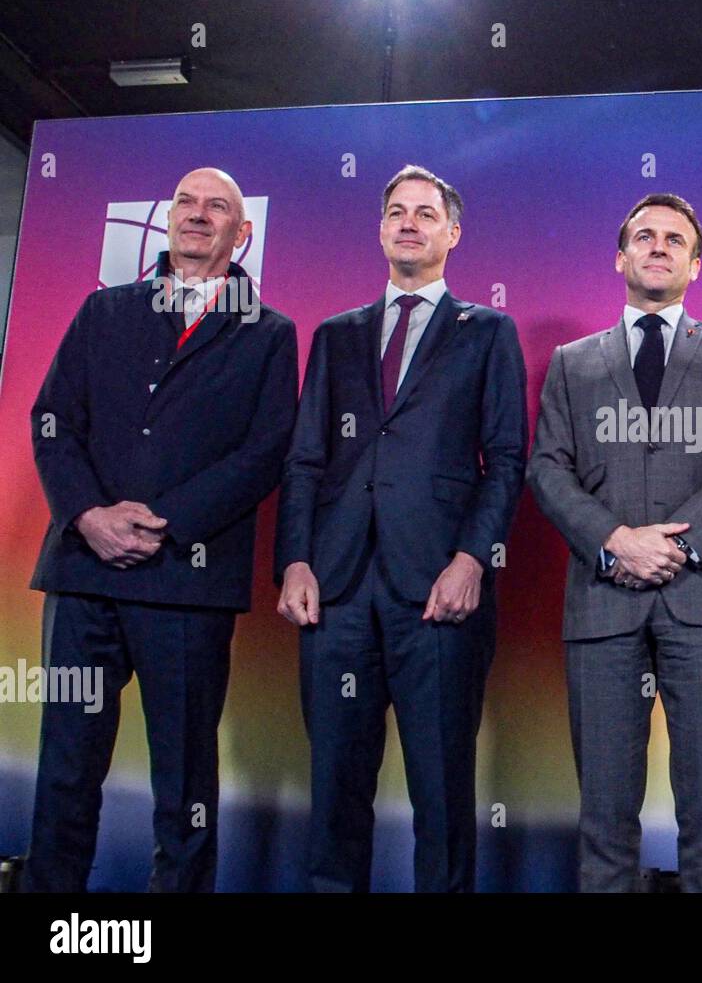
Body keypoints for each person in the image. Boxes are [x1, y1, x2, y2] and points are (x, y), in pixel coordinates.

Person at [26, 167, 299, 892]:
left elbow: (266, 450)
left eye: (218, 207)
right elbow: (53, 424)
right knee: (65, 769)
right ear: (168, 217)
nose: (197, 215)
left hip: (188, 582)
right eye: (185, 201)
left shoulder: (270, 334)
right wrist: (89, 515)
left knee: (186, 786)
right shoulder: (102, 311)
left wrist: (165, 525)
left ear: (243, 233)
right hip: (84, 575)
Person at [274, 165, 527, 893]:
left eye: (425, 212)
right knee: (336, 792)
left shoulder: (488, 332)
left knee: (441, 794)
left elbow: (507, 458)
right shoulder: (336, 335)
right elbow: (304, 458)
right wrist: (295, 560)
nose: (409, 222)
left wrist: (473, 557)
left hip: (438, 593)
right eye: (396, 211)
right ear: (382, 228)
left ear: (453, 232)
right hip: (337, 591)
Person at [527, 193, 702, 892]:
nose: (659, 246)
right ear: (621, 256)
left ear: (696, 264)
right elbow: (546, 468)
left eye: (676, 239)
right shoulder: (573, 362)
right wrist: (614, 541)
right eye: (645, 235)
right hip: (604, 601)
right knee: (604, 817)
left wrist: (676, 545)